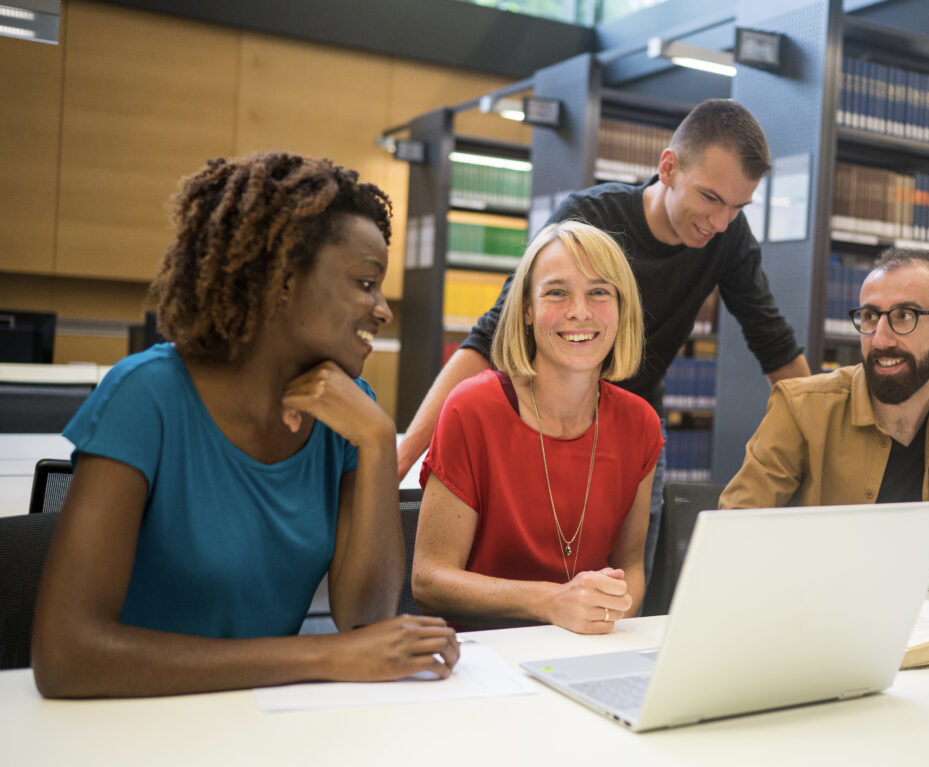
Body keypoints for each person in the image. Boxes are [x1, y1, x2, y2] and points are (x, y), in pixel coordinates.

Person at [31, 152, 460, 698]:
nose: (383, 310)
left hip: (259, 719)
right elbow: (67, 656)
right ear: (283, 279)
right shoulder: (146, 396)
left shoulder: (351, 417)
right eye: (365, 282)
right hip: (133, 721)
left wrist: (378, 441)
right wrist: (321, 654)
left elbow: (365, 622)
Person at [397, 99, 811, 580]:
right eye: (711, 198)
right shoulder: (591, 218)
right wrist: (405, 457)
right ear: (669, 167)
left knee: (625, 583)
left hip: (630, 442)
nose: (720, 222)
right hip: (543, 429)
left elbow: (775, 346)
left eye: (738, 207)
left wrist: (822, 440)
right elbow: (491, 336)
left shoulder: (729, 239)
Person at [719, 248, 929, 616]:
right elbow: (736, 531)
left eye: (905, 316)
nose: (881, 338)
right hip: (827, 629)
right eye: (871, 316)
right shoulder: (801, 408)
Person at [412, 221, 661, 634]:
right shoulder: (470, 410)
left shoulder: (641, 424)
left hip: (582, 650)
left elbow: (630, 566)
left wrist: (608, 611)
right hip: (481, 659)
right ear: (526, 309)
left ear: (622, 308)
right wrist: (550, 602)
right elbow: (429, 579)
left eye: (599, 292)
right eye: (557, 292)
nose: (579, 311)